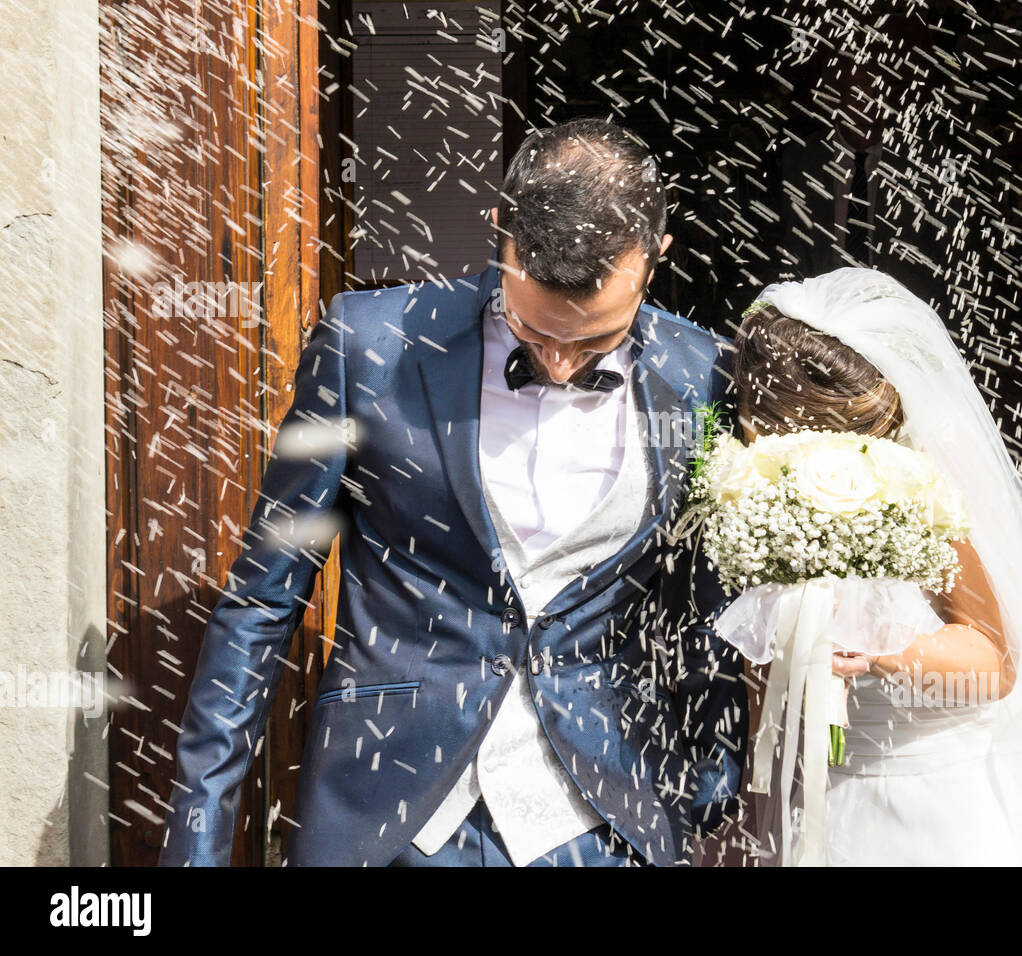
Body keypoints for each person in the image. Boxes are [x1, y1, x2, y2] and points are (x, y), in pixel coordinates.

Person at [157, 118, 746, 867]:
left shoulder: (706, 380)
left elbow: (708, 610)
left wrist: (703, 798)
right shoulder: (366, 347)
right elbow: (263, 600)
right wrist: (199, 838)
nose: (561, 365)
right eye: (536, 334)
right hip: (392, 819)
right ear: (500, 232)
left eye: (593, 341)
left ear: (656, 258)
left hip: (607, 823)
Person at [730, 267, 1022, 865]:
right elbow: (760, 660)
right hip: (825, 801)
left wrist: (875, 658)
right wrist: (757, 809)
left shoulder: (930, 479)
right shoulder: (751, 485)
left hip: (935, 802)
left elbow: (993, 663)